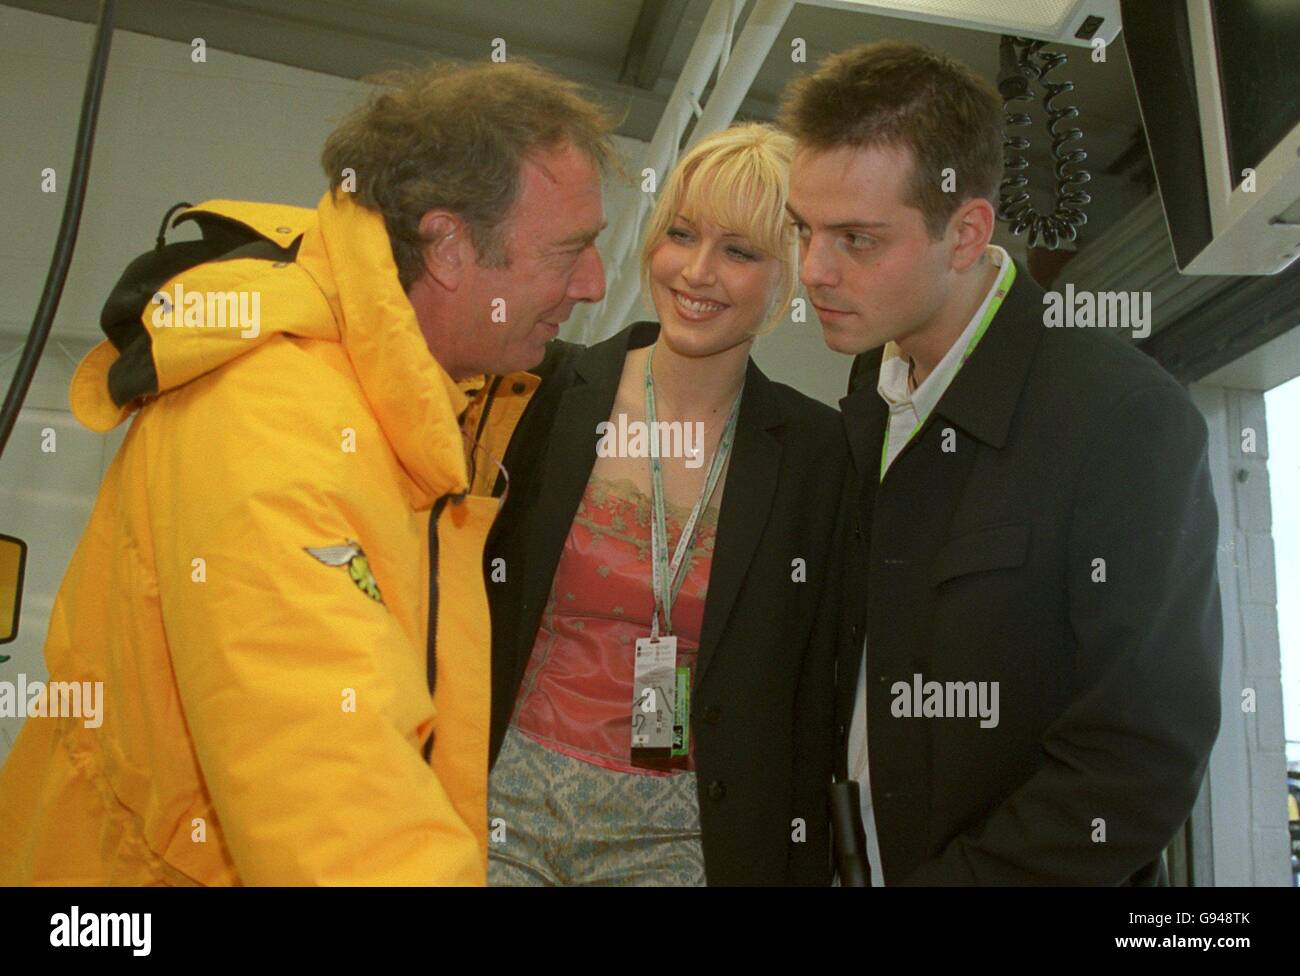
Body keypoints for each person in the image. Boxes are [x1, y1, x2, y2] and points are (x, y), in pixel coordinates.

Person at [0, 60, 613, 885]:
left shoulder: (404, 392)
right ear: (448, 246)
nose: (594, 284)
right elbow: (336, 794)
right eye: (568, 252)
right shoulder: (270, 429)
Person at [780, 41, 1223, 884]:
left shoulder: (1121, 419)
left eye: (857, 240)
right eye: (805, 229)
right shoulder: (870, 381)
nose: (813, 271)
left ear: (966, 233)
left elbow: (1137, 760)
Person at [483, 123, 845, 885]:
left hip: (682, 830)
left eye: (741, 251)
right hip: (503, 794)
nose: (698, 272)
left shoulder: (820, 455)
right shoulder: (543, 390)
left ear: (789, 275)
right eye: (681, 235)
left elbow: (817, 693)